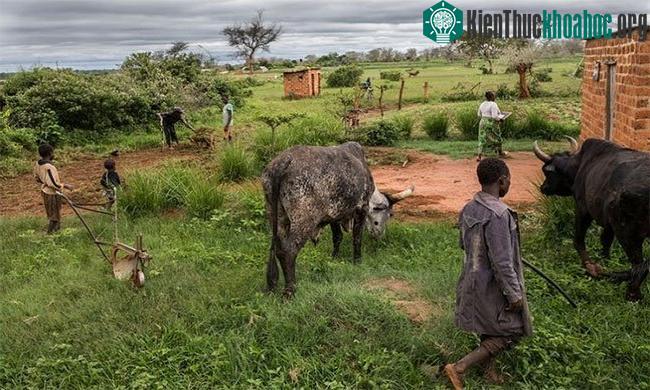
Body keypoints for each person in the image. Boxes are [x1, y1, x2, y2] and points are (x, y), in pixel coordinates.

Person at [444, 158, 532, 390]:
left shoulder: (468, 208)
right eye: (509, 181)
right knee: (512, 331)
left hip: (470, 280)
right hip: (491, 285)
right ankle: (460, 367)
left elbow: (463, 244)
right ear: (502, 181)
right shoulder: (500, 214)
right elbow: (502, 262)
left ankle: (488, 369)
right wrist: (513, 294)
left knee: (490, 326)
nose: (508, 185)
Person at [34, 143, 73, 234]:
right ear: (50, 153)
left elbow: (37, 178)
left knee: (55, 212)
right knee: (54, 216)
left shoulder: (38, 164)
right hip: (51, 193)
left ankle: (57, 230)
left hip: (46, 190)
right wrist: (65, 185)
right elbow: (53, 183)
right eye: (53, 152)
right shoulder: (49, 167)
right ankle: (50, 234)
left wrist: (44, 182)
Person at [477, 91, 507, 161]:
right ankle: (500, 152)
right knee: (497, 137)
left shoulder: (482, 104)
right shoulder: (493, 104)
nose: (495, 97)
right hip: (491, 123)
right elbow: (494, 116)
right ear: (491, 97)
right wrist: (501, 119)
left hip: (482, 122)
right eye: (494, 96)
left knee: (482, 138)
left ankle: (479, 156)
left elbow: (479, 114)